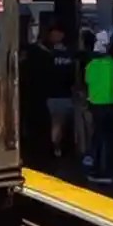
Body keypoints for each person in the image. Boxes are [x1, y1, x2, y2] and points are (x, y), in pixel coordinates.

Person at [24, 22, 76, 160]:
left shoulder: (47, 53)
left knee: (58, 123)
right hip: (57, 94)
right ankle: (57, 148)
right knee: (58, 123)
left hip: (57, 94)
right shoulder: (68, 53)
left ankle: (56, 148)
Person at [85, 39, 113, 183]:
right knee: (110, 139)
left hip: (95, 106)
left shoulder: (90, 65)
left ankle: (96, 168)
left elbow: (87, 82)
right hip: (111, 105)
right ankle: (109, 170)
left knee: (98, 138)